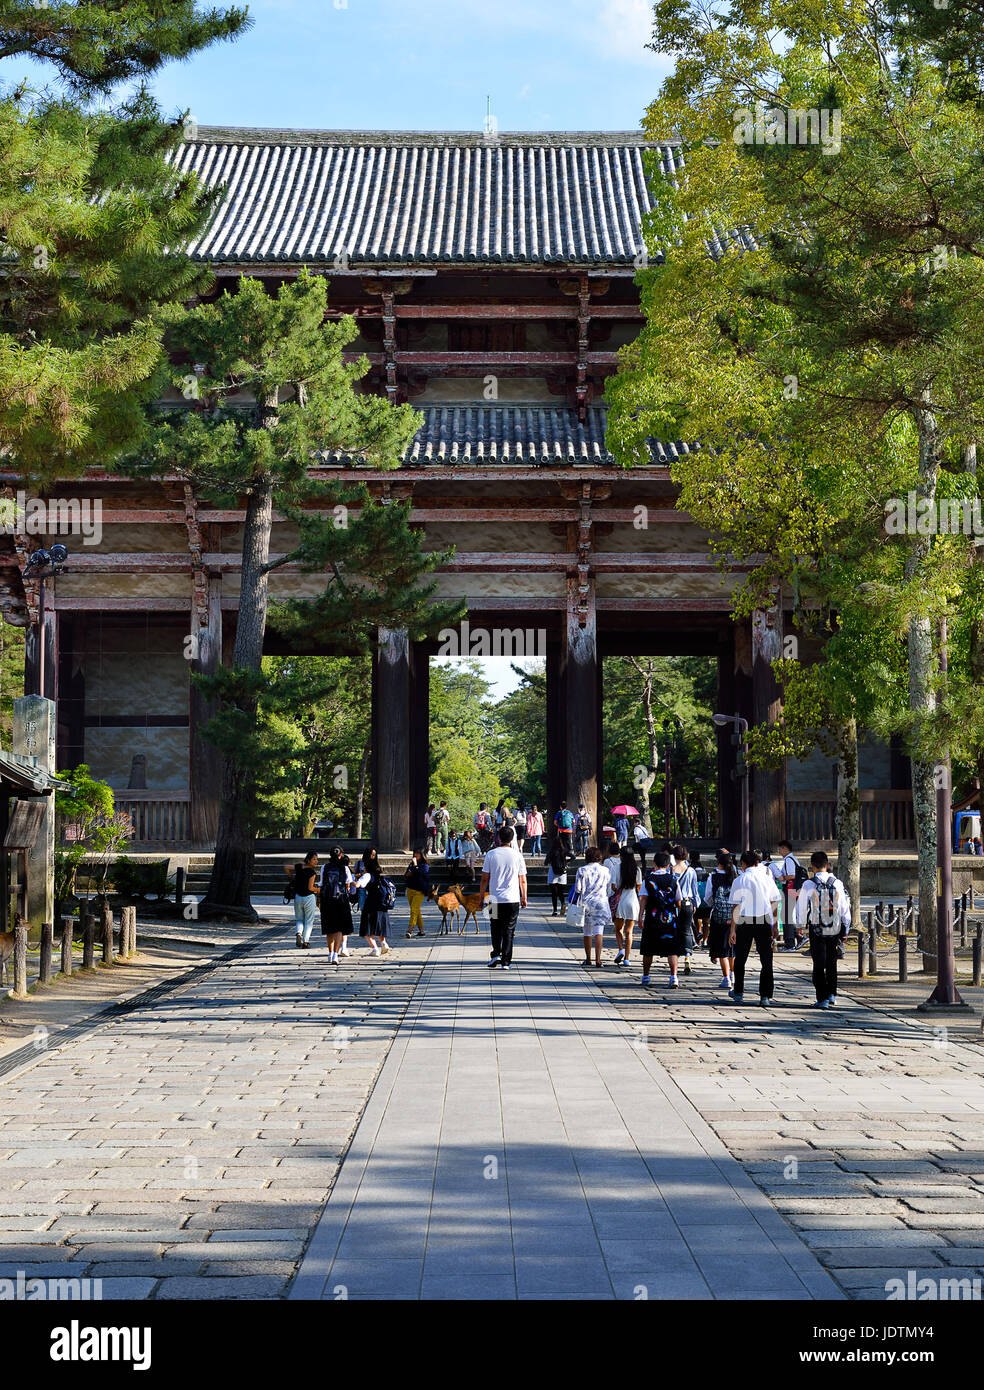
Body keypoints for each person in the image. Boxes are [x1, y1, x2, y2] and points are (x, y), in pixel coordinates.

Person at [795, 850, 852, 1009]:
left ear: (812, 866)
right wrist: (845, 928)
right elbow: (843, 908)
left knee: (819, 962)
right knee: (832, 961)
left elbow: (801, 908)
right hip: (834, 926)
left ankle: (822, 998)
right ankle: (832, 993)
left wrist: (799, 926)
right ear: (827, 865)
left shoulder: (808, 884)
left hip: (816, 926)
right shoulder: (837, 883)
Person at [728, 849, 781, 1007]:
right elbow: (774, 903)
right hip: (764, 919)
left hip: (744, 920)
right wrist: (775, 924)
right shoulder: (767, 878)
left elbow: (736, 907)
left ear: (743, 864)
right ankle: (765, 995)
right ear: (757, 862)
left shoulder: (740, 880)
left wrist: (732, 930)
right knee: (766, 959)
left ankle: (738, 991)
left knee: (741, 958)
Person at [480, 825, 527, 970]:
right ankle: (506, 961)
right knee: (509, 929)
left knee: (494, 926)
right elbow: (522, 879)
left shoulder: (491, 854)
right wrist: (524, 896)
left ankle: (496, 955)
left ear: (499, 837)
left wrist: (482, 896)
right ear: (512, 839)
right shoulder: (517, 855)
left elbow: (484, 879)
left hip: (493, 898)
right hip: (512, 898)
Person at [638, 851, 684, 987]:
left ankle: (646, 976)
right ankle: (673, 977)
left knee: (648, 948)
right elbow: (679, 901)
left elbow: (643, 900)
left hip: (652, 918)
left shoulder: (648, 879)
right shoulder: (673, 879)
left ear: (655, 864)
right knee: (672, 949)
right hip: (669, 918)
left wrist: (640, 916)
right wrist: (678, 915)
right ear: (668, 865)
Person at [703, 850, 738, 992]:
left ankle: (726, 979)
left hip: (718, 917)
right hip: (734, 916)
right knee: (732, 947)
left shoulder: (713, 876)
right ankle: (733, 974)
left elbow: (708, 897)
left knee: (722, 949)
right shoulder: (736, 877)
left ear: (719, 863)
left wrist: (715, 906)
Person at [573, 846, 613, 967]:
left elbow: (578, 889)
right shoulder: (605, 870)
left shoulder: (581, 870)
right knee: (599, 931)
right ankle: (598, 960)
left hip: (586, 903)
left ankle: (588, 958)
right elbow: (609, 888)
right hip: (601, 901)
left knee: (587, 932)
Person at [319, 846, 354, 965]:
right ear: (341, 855)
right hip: (341, 900)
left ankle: (329, 953)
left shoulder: (325, 867)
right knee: (339, 928)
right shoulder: (345, 868)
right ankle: (335, 954)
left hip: (327, 900)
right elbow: (348, 884)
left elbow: (321, 883)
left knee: (329, 928)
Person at [672, 844, 701, 975]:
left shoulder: (671, 870)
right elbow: (694, 890)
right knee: (687, 929)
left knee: (675, 930)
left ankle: (675, 957)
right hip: (688, 903)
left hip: (673, 904)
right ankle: (688, 956)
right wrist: (695, 904)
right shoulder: (691, 871)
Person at [355, 858, 393, 956]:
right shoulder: (380, 877)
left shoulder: (367, 875)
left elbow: (359, 885)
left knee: (367, 928)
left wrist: (352, 880)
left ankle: (375, 949)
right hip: (382, 905)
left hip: (371, 905)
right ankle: (384, 943)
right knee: (380, 926)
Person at [612, 846, 643, 967]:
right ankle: (627, 958)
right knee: (629, 932)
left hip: (620, 901)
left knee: (618, 929)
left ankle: (620, 949)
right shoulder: (637, 870)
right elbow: (639, 887)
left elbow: (613, 886)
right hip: (632, 901)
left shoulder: (616, 868)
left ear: (621, 856)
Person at [776, 840, 806, 949]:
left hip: (790, 889)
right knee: (787, 915)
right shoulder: (793, 859)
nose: (779, 852)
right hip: (794, 889)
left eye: (780, 849)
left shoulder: (789, 860)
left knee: (786, 916)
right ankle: (799, 937)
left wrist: (782, 877)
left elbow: (792, 875)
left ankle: (790, 944)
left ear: (784, 848)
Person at [288, 851, 319, 949]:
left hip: (298, 897)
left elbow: (286, 867)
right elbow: (310, 888)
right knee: (309, 920)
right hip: (309, 897)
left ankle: (298, 933)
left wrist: (292, 878)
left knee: (299, 919)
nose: (316, 861)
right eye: (314, 859)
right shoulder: (312, 873)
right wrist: (319, 890)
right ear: (308, 860)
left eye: (316, 859)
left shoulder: (299, 867)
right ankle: (306, 942)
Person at [404, 849, 431, 938]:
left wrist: (415, 866)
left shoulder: (425, 865)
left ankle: (410, 930)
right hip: (410, 889)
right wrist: (412, 870)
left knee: (414, 910)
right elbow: (407, 874)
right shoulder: (411, 863)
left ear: (422, 855)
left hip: (419, 891)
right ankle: (421, 930)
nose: (415, 855)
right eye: (415, 853)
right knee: (416, 910)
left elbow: (420, 874)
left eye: (418, 853)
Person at [545, 836, 569, 916]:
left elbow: (546, 862)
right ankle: (563, 903)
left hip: (553, 871)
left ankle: (555, 910)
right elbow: (573, 857)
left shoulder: (551, 851)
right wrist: (566, 862)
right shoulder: (564, 850)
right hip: (562, 872)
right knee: (561, 892)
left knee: (554, 893)